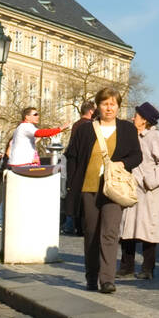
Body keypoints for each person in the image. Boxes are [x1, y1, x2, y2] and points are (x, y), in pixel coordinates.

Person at [64, 87, 141, 293]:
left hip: (113, 188)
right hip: (89, 187)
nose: (109, 108)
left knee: (110, 233)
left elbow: (137, 156)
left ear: (118, 106)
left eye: (113, 104)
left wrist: (122, 164)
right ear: (98, 106)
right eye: (105, 103)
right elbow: (72, 157)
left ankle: (107, 280)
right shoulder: (84, 130)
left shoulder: (127, 129)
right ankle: (91, 276)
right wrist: (72, 183)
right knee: (91, 233)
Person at [0, 105, 70, 232]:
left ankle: (1, 220)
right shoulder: (26, 127)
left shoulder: (23, 128)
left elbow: (35, 138)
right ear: (27, 117)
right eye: (35, 114)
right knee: (20, 194)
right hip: (22, 165)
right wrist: (60, 128)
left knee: (14, 194)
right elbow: (41, 133)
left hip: (19, 164)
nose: (38, 116)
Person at [118, 102, 159, 282]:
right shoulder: (133, 136)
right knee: (127, 228)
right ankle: (127, 267)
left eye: (137, 116)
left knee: (148, 229)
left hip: (149, 191)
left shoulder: (156, 137)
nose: (133, 118)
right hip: (131, 188)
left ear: (145, 120)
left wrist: (148, 181)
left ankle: (148, 268)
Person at [61, 100, 96, 236]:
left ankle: (71, 224)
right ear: (91, 111)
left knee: (73, 194)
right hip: (81, 164)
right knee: (78, 196)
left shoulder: (77, 124)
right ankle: (72, 225)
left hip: (74, 164)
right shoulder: (86, 125)